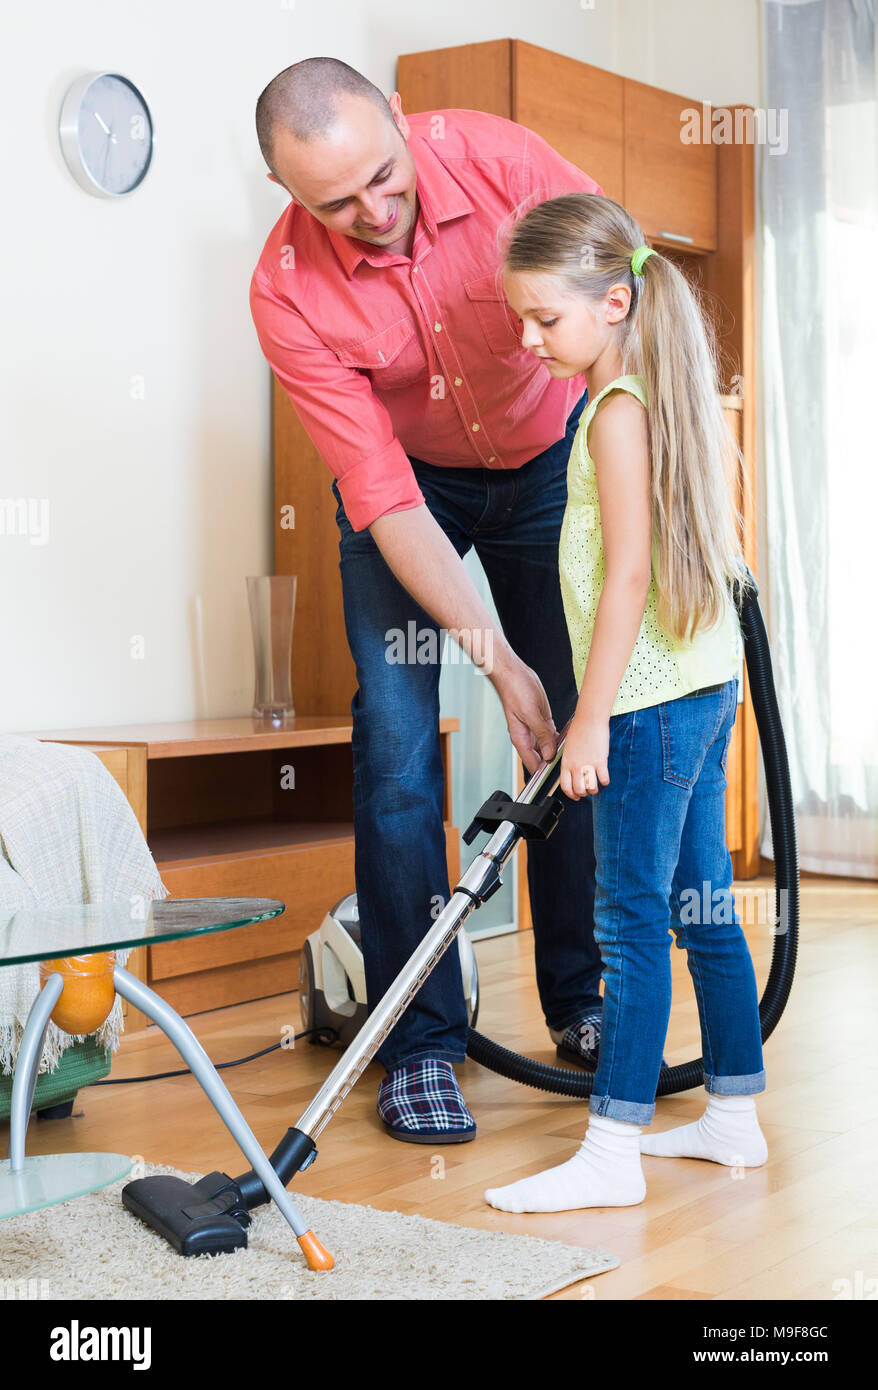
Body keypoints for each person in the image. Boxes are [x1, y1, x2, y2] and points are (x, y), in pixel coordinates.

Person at [249, 58, 613, 1143]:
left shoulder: (503, 163)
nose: (370, 211)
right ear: (285, 193)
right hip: (412, 487)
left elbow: (619, 292)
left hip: (550, 460)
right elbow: (383, 501)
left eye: (380, 175)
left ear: (401, 122)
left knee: (569, 731)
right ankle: (418, 1043)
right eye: (333, 202)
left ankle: (582, 1001)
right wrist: (492, 660)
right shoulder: (284, 290)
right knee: (396, 740)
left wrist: (637, 460)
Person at [484, 193, 767, 1213]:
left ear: (611, 303)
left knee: (630, 919)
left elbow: (626, 577)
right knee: (699, 908)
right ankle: (732, 1113)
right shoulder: (649, 391)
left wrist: (588, 716)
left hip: (647, 706)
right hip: (698, 686)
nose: (526, 337)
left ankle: (610, 1148)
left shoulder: (612, 411)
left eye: (542, 319)